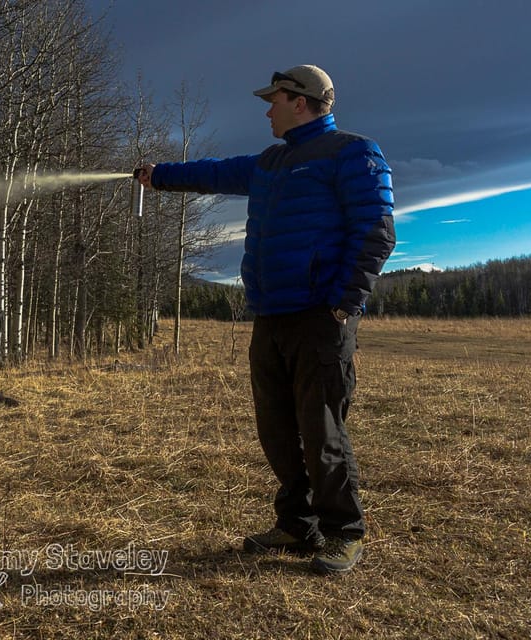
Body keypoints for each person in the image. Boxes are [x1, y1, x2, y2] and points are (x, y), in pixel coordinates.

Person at [137, 65, 396, 574]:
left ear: (299, 102)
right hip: (271, 313)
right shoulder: (271, 162)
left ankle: (343, 532)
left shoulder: (353, 152)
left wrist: (345, 303)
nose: (266, 109)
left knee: (322, 429)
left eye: (273, 99)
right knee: (276, 427)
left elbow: (377, 232)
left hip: (321, 317)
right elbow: (214, 171)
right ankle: (297, 525)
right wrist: (158, 174)